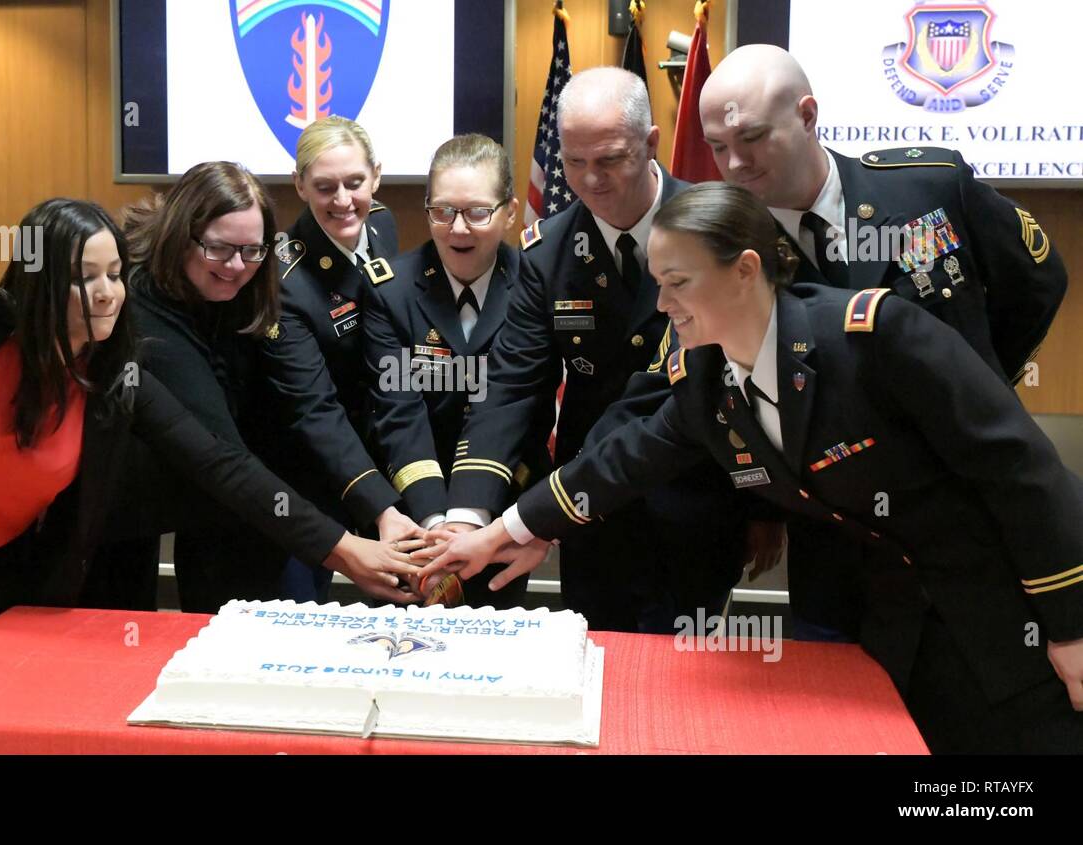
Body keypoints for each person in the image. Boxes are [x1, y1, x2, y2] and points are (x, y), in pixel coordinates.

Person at [419, 182, 1083, 754]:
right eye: (657, 283)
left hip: (1015, 618)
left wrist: (1072, 624)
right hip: (902, 627)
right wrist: (510, 530)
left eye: (678, 282)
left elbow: (1022, 471)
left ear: (744, 269)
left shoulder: (877, 337)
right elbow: (622, 460)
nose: (662, 304)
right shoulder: (706, 379)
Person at [0, 198, 422, 710]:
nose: (110, 293)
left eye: (115, 274)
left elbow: (221, 466)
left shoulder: (116, 374)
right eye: (85, 278)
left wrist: (345, 548)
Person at [698, 43, 1070, 639]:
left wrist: (977, 389)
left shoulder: (928, 187)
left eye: (754, 138)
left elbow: (1037, 279)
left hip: (962, 501)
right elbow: (739, 391)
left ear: (809, 115)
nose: (735, 163)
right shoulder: (732, 250)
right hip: (839, 534)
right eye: (718, 146)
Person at [440, 67, 760, 632]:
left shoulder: (718, 228)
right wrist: (469, 513)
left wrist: (768, 508)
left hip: (697, 503)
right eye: (574, 161)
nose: (591, 179)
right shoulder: (548, 253)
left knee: (691, 692)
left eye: (610, 159)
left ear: (651, 144)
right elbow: (513, 386)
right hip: (587, 516)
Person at [84, 162, 362, 611]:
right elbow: (222, 458)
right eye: (219, 249)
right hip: (114, 521)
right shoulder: (145, 314)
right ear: (182, 234)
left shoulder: (247, 283)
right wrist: (346, 548)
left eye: (252, 251)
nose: (236, 266)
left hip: (234, 511)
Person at [364, 134, 552, 607]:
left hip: (503, 512)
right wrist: (435, 528)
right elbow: (397, 411)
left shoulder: (538, 286)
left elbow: (524, 407)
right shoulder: (391, 290)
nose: (458, 230)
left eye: (477, 212)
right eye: (442, 211)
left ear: (510, 212)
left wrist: (476, 521)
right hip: (412, 521)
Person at [250, 115, 423, 602]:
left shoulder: (382, 224)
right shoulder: (283, 278)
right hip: (303, 476)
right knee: (299, 617)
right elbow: (313, 410)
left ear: (377, 177)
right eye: (325, 187)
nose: (344, 201)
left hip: (372, 452)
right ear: (299, 185)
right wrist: (381, 510)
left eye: (355, 183)